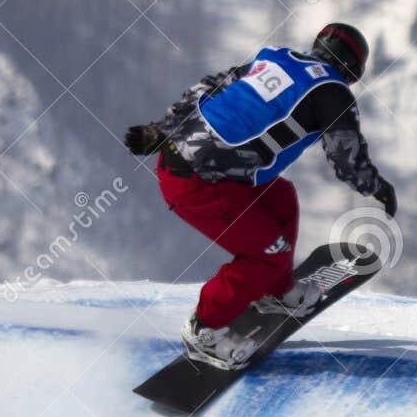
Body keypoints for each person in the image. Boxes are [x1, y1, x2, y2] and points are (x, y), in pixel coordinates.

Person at [124, 23, 396, 368]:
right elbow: (345, 157)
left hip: (192, 164)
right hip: (199, 183)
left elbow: (210, 86)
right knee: (267, 254)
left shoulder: (278, 57)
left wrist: (162, 129)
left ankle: (276, 289)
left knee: (280, 199)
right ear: (353, 70)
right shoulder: (334, 94)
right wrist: (378, 187)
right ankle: (205, 330)